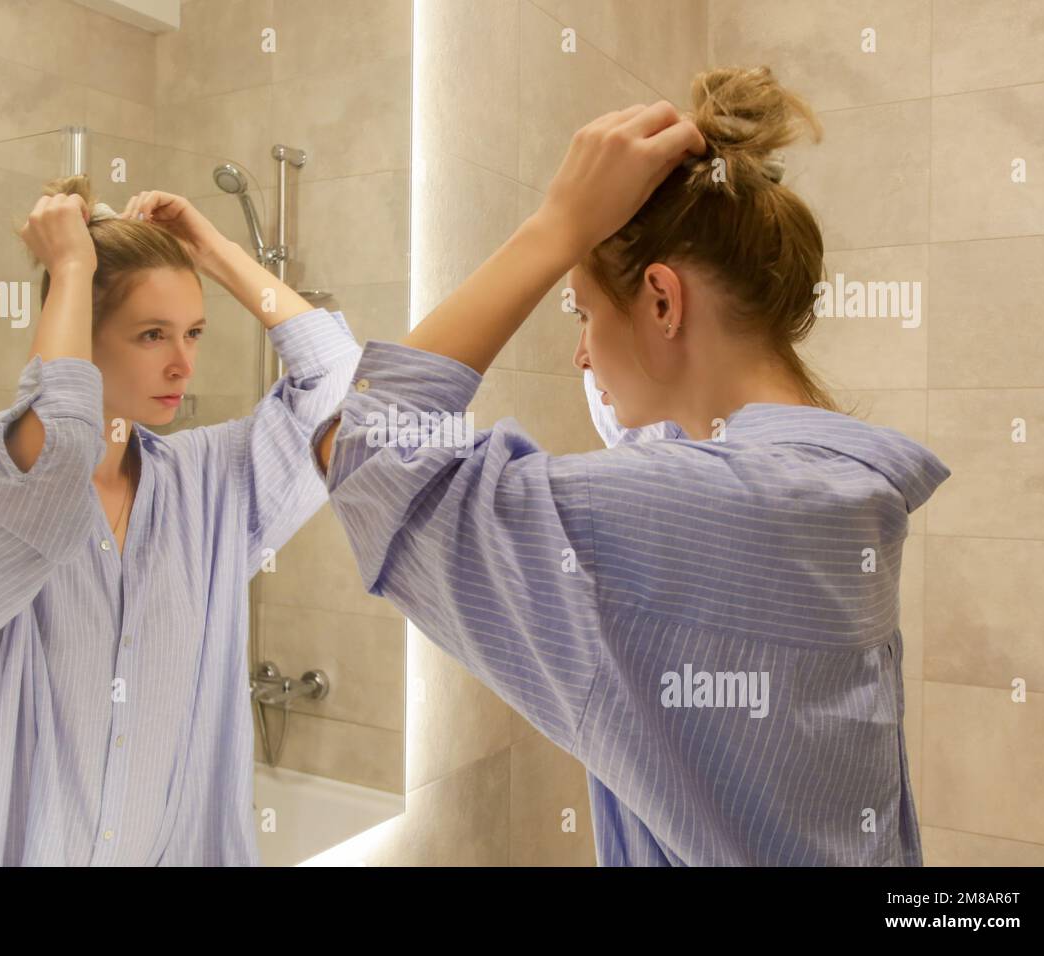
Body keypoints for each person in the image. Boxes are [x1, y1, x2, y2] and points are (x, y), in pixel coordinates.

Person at [311, 66, 950, 865]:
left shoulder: (688, 508)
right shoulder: (845, 489)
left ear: (661, 301)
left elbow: (364, 456)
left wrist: (557, 225)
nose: (581, 352)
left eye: (582, 311)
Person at [0, 174, 361, 865]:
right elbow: (62, 445)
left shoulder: (207, 484)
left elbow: (337, 380)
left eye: (194, 333)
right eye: (153, 335)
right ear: (79, 343)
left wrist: (210, 250)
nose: (183, 364)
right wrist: (69, 269)